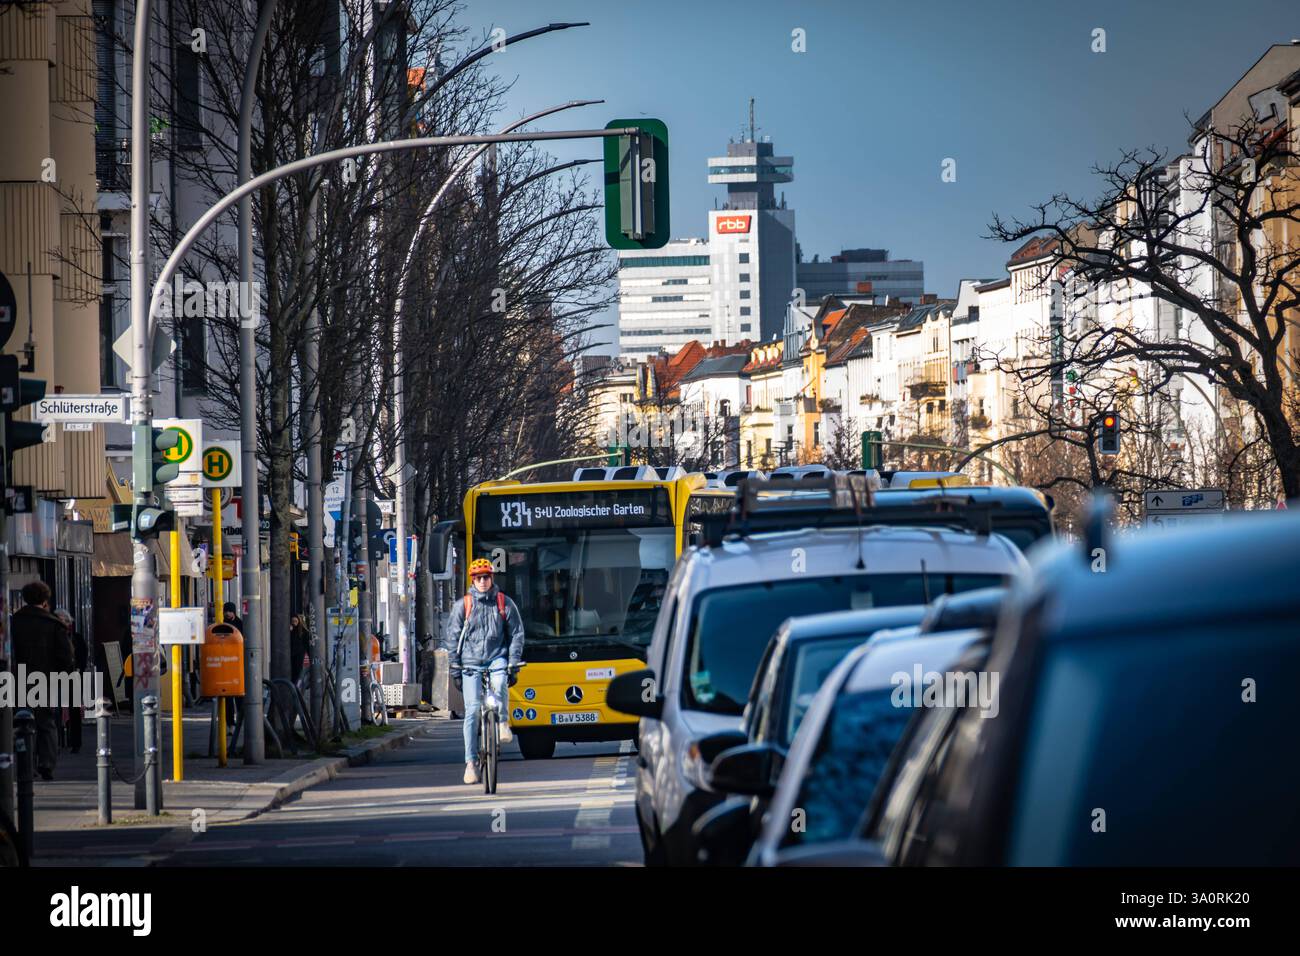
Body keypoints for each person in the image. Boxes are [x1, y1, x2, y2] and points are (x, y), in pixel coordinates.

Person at [444, 558, 524, 785]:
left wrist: (513, 661)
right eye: (478, 578)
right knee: (472, 711)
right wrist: (455, 668)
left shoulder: (504, 603)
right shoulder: (464, 605)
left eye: (486, 577)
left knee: (499, 684)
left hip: (497, 658)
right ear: (472, 580)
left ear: (492, 578)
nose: (482, 581)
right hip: (470, 662)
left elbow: (517, 633)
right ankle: (470, 763)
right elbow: (452, 637)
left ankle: (502, 723)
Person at [11, 582, 75, 780]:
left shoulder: (15, 622)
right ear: (45, 600)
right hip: (46, 681)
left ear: (25, 598)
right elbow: (66, 657)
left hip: (18, 680)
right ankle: (46, 763)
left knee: (22, 722)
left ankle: (25, 763)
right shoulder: (54, 625)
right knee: (46, 723)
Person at [53, 609, 87, 754]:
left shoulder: (76, 638)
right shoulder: (51, 636)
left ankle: (75, 743)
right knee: (56, 711)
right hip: (56, 676)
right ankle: (57, 742)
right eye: (60, 620)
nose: (63, 623)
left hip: (73, 676)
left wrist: (80, 668)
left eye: (65, 620)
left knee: (74, 710)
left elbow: (83, 655)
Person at [289, 614, 309, 685]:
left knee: (298, 671)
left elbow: (307, 644)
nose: (294, 623)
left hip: (299, 654)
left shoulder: (303, 632)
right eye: (292, 621)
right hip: (291, 654)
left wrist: (309, 655)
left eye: (295, 621)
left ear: (299, 621)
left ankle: (297, 685)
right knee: (293, 672)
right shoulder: (291, 631)